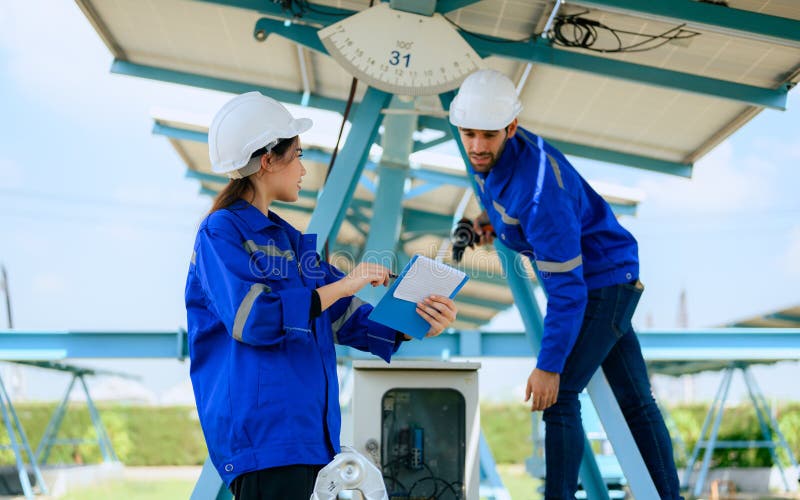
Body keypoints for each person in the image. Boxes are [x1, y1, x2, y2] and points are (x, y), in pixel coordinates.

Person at [185, 91, 458, 499]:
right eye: (296, 155)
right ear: (266, 160)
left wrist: (417, 320)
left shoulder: (292, 244)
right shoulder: (220, 232)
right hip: (267, 443)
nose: (303, 169)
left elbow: (347, 318)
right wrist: (346, 282)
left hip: (311, 443)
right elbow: (253, 319)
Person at [449, 70, 682, 499]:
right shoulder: (497, 156)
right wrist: (488, 224)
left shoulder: (542, 196)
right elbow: (503, 201)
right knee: (636, 401)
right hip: (605, 277)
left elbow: (568, 291)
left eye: (487, 136)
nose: (477, 146)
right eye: (468, 134)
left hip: (602, 285)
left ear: (511, 128)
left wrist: (549, 366)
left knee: (557, 398)